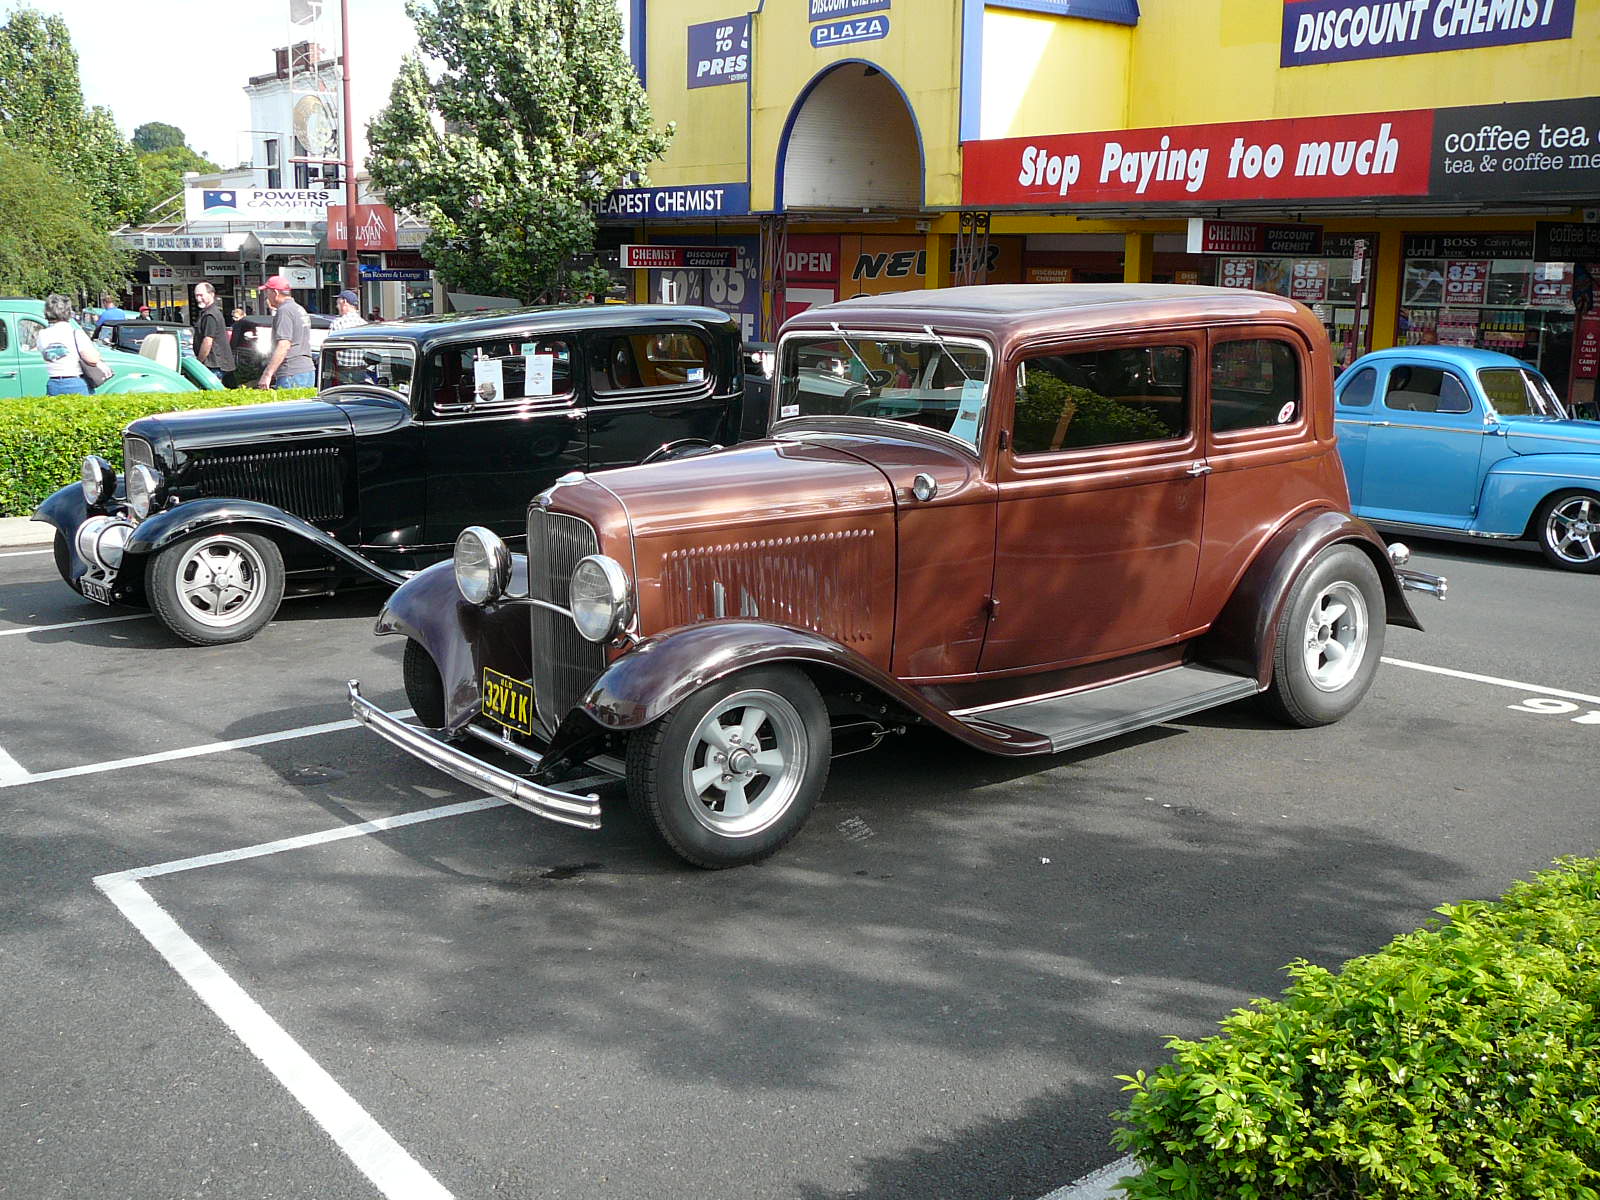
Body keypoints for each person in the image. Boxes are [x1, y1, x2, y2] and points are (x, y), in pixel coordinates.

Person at [36, 294, 106, 396]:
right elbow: (92, 359)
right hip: (75, 382)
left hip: (53, 383)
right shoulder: (75, 333)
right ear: (68, 312)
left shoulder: (42, 334)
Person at [254, 275, 316, 389]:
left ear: (275, 292)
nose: (266, 296)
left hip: (291, 372)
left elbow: (284, 345)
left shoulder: (284, 311)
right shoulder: (299, 309)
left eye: (267, 292)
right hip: (307, 370)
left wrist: (267, 374)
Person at [192, 282, 236, 386]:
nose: (198, 299)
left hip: (214, 364)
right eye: (196, 295)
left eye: (201, 295)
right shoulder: (209, 312)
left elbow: (208, 341)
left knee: (212, 395)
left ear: (211, 294)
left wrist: (199, 362)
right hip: (218, 364)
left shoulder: (210, 315)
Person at [329, 288, 368, 383]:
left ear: (344, 302)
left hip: (343, 372)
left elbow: (331, 350)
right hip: (361, 371)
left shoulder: (338, 323)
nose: (337, 306)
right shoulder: (364, 324)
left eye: (338, 303)